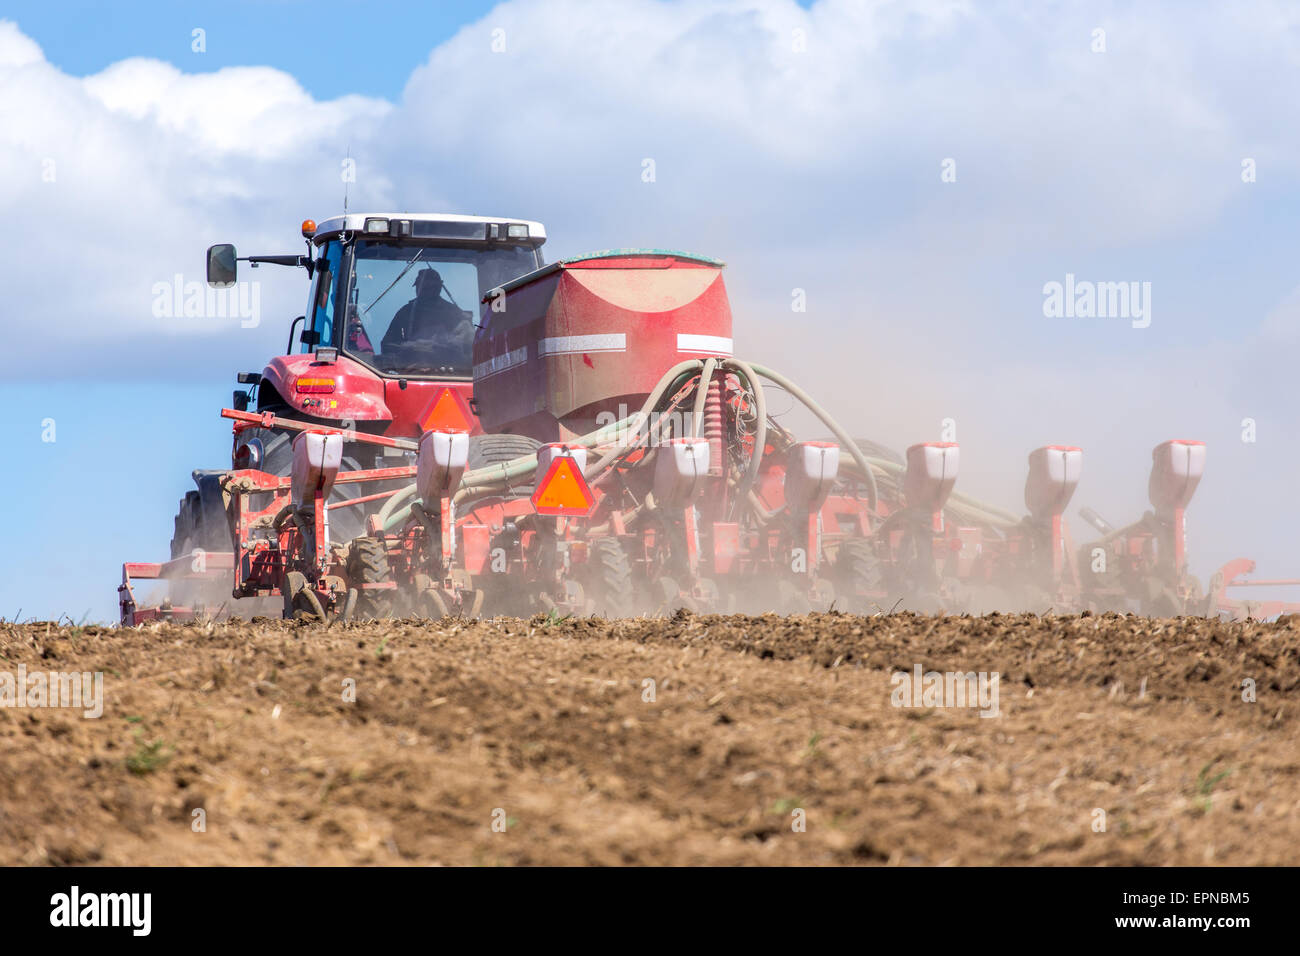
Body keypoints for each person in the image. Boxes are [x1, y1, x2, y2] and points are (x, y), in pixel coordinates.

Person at [381, 268, 472, 355]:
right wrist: (409, 348)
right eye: (420, 286)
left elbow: (468, 346)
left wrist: (437, 347)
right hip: (411, 369)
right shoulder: (406, 312)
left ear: (439, 287)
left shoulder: (455, 314)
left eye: (429, 287)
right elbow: (387, 345)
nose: (423, 291)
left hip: (451, 369)